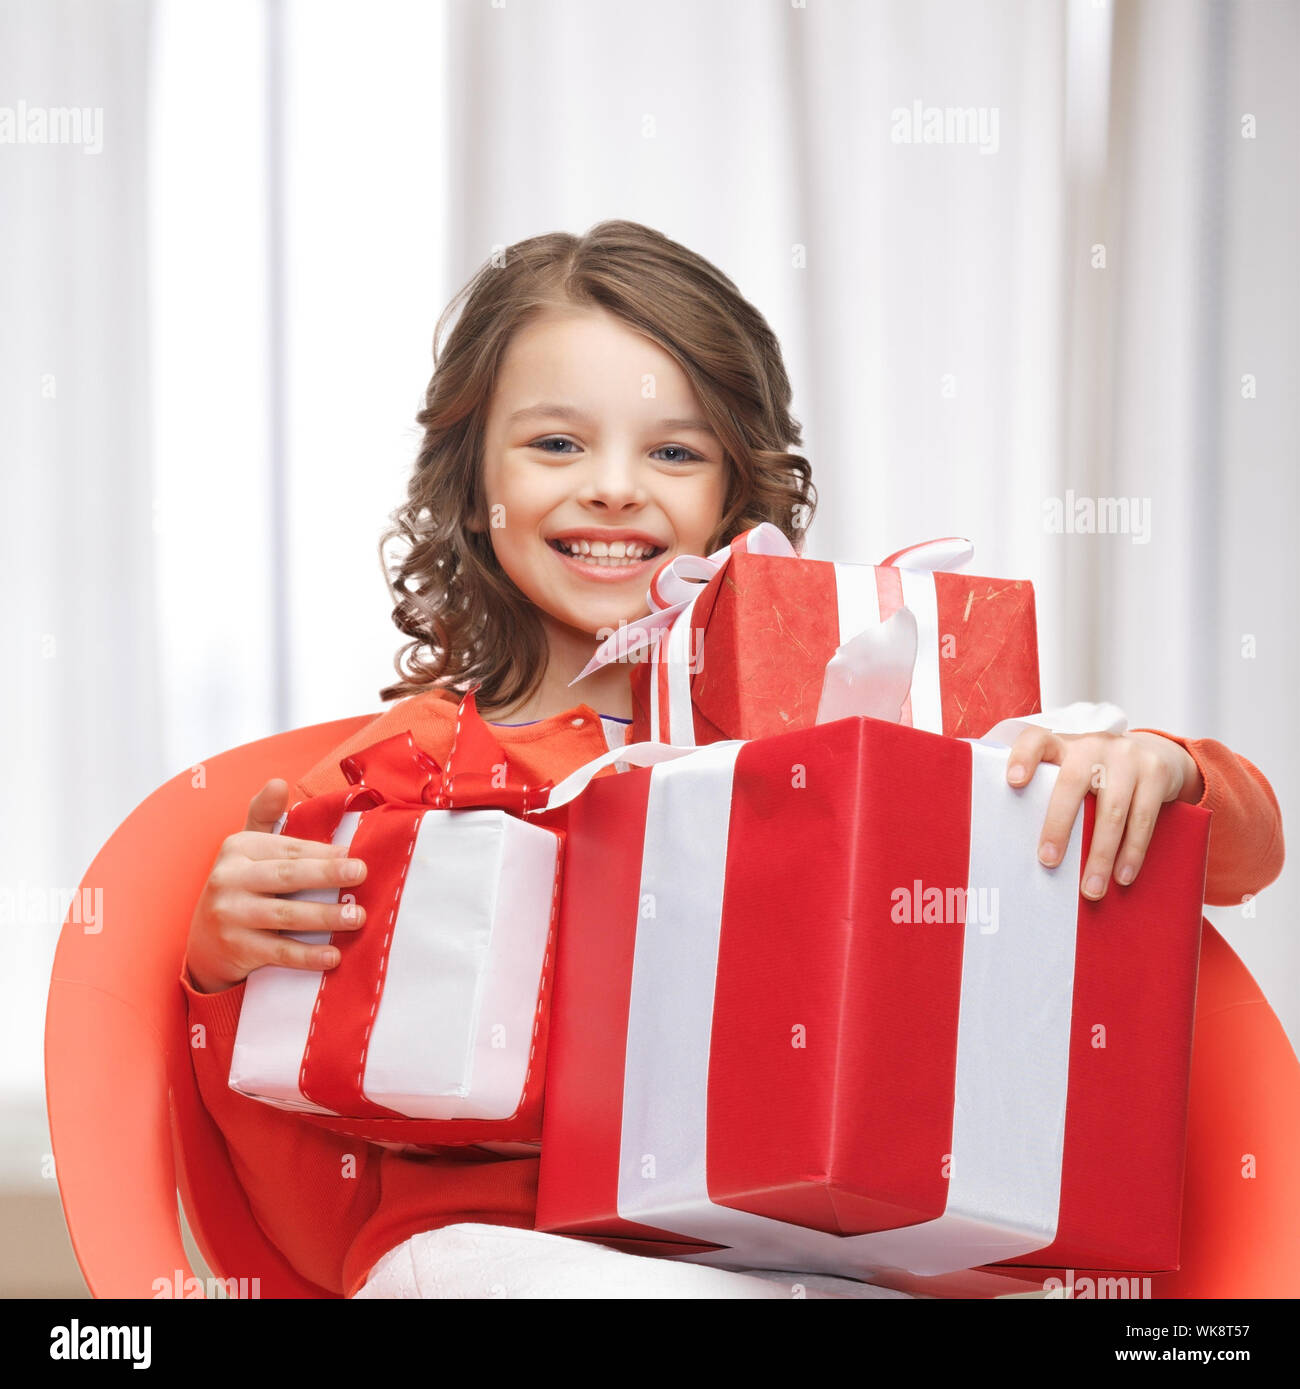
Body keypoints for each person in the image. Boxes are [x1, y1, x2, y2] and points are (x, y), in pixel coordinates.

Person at [182, 220, 1284, 1299]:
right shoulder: (413, 770)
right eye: (556, 442)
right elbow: (298, 1168)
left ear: (733, 494)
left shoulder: (838, 743)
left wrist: (1157, 768)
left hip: (799, 1253)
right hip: (489, 1253)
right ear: (477, 486)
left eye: (674, 450)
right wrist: (226, 970)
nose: (615, 486)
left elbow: (1238, 856)